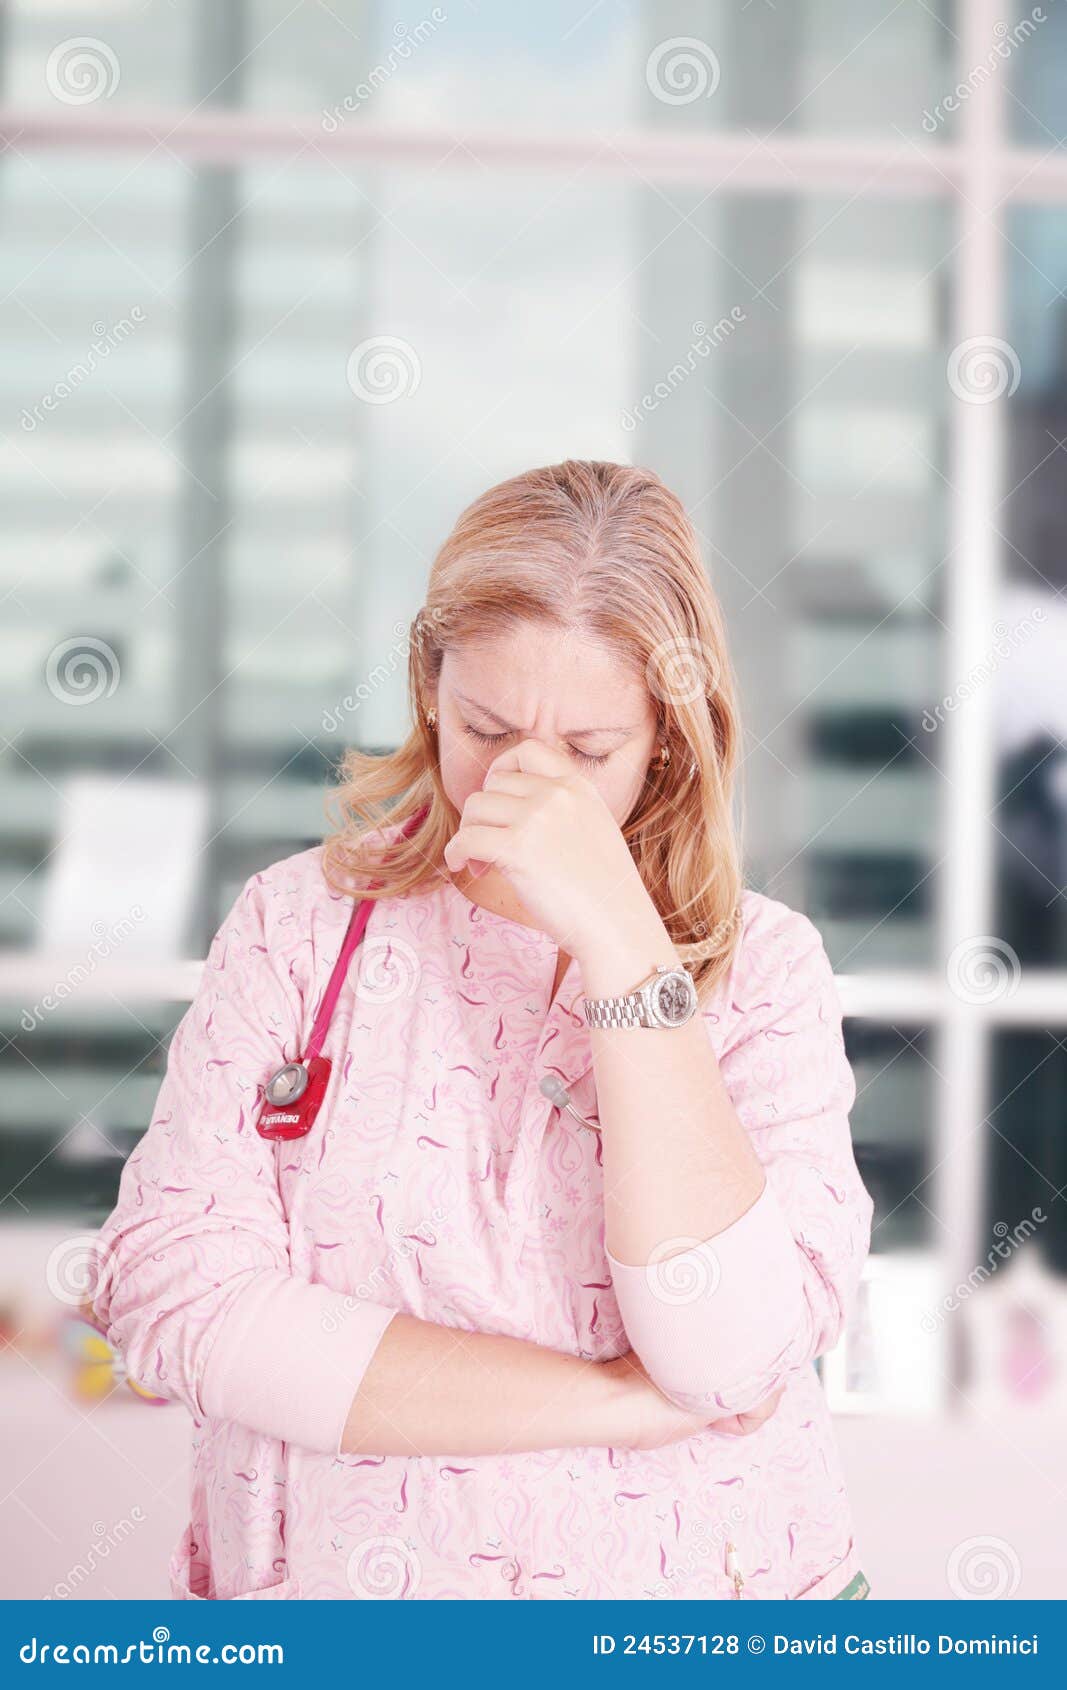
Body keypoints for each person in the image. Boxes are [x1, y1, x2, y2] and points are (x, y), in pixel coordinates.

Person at [91, 459, 873, 1601]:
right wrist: (612, 1400)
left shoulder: (765, 973)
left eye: (587, 749)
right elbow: (172, 1298)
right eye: (484, 726)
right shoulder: (297, 928)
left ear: (665, 734)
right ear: (427, 686)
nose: (525, 784)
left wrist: (620, 946)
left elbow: (730, 1355)